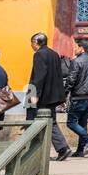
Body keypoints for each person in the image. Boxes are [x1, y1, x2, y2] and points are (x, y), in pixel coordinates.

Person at [27, 32, 71, 160]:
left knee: (34, 121)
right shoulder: (54, 54)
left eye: (32, 43)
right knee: (51, 121)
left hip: (42, 95)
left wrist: (35, 94)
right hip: (53, 95)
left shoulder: (39, 54)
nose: (31, 46)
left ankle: (34, 152)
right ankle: (63, 148)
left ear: (36, 42)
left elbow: (39, 76)